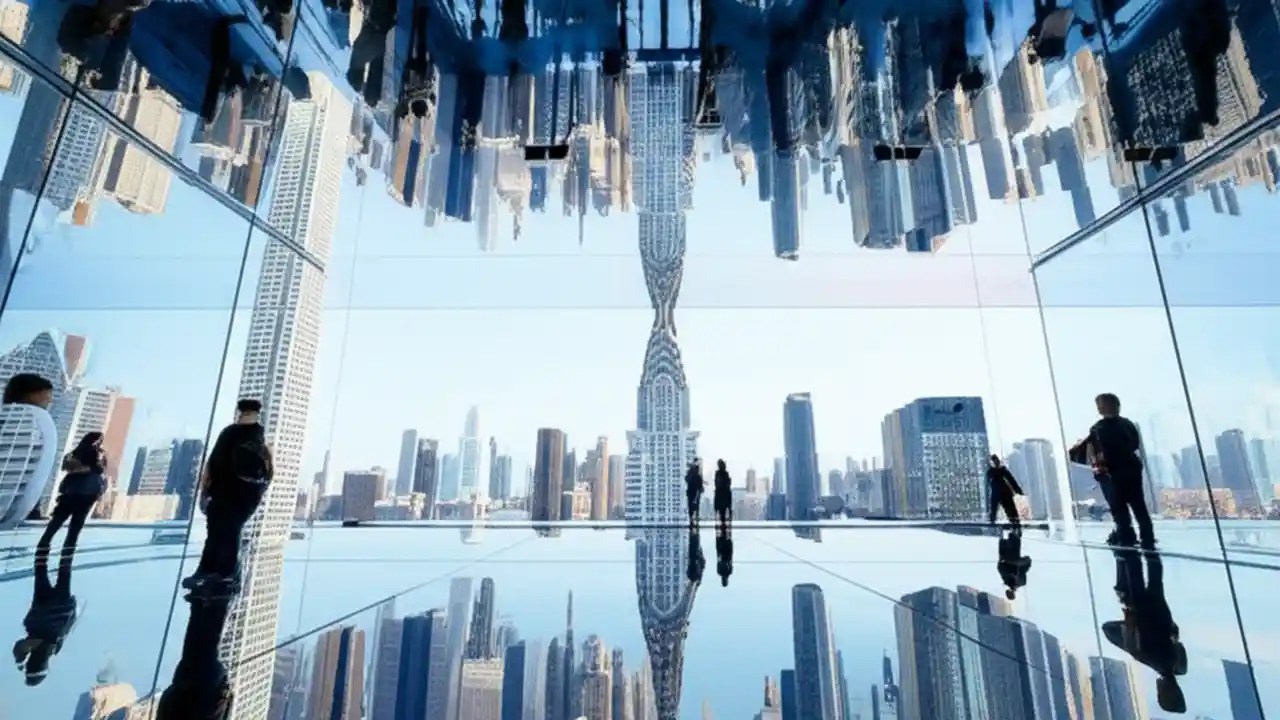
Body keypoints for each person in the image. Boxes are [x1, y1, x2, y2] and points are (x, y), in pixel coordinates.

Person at [183, 399, 273, 597]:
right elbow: (212, 463)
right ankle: (208, 570)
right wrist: (205, 490)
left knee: (229, 531)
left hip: (240, 497)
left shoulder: (256, 439)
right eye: (244, 412)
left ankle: (226, 573)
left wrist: (255, 493)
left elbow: (265, 473)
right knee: (215, 531)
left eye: (248, 413)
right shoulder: (230, 434)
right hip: (222, 493)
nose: (245, 415)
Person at [1072, 393, 1155, 548]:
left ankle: (1126, 538)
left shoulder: (1098, 428)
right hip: (1131, 470)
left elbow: (1097, 452)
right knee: (1139, 506)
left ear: (1104, 407)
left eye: (1099, 405)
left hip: (1112, 474)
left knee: (1119, 509)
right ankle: (1148, 537)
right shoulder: (1128, 424)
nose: (1098, 408)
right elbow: (1134, 444)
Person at [0, 374, 59, 529]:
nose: (49, 400)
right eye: (45, 394)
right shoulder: (33, 421)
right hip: (10, 509)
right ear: (30, 394)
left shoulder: (12, 418)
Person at [35, 432, 106, 557]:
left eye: (100, 441)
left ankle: (45, 550)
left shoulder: (76, 454)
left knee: (59, 525)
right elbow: (97, 469)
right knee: (70, 528)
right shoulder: (93, 454)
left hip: (74, 494)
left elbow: (70, 468)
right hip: (81, 495)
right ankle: (61, 555)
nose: (99, 443)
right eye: (98, 440)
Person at [987, 454, 1023, 526]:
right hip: (1002, 493)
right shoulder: (996, 471)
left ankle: (1015, 523)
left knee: (1010, 510)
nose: (997, 462)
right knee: (1010, 510)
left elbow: (1011, 480)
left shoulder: (997, 471)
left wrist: (1017, 489)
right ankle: (1015, 523)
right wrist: (1017, 490)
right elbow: (1011, 480)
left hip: (1002, 493)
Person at [713, 459, 732, 529]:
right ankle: (723, 523)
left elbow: (716, 483)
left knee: (722, 511)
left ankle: (723, 523)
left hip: (721, 494)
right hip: (724, 494)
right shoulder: (725, 473)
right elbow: (728, 483)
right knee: (723, 511)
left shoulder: (718, 473)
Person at [684, 459, 704, 526]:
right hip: (693, 493)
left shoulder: (694, 475)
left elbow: (687, 479)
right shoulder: (694, 475)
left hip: (693, 493)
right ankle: (693, 519)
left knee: (692, 507)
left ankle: (693, 519)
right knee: (693, 507)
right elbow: (687, 479)